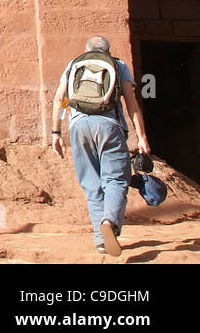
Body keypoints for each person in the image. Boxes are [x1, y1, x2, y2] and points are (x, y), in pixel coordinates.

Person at [50, 37, 151, 256]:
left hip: (78, 127)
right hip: (109, 127)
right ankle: (110, 221)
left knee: (91, 183)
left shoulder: (74, 64)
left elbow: (62, 99)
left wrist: (56, 131)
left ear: (86, 51)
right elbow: (131, 103)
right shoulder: (119, 65)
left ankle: (101, 240)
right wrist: (141, 136)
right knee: (115, 179)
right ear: (108, 51)